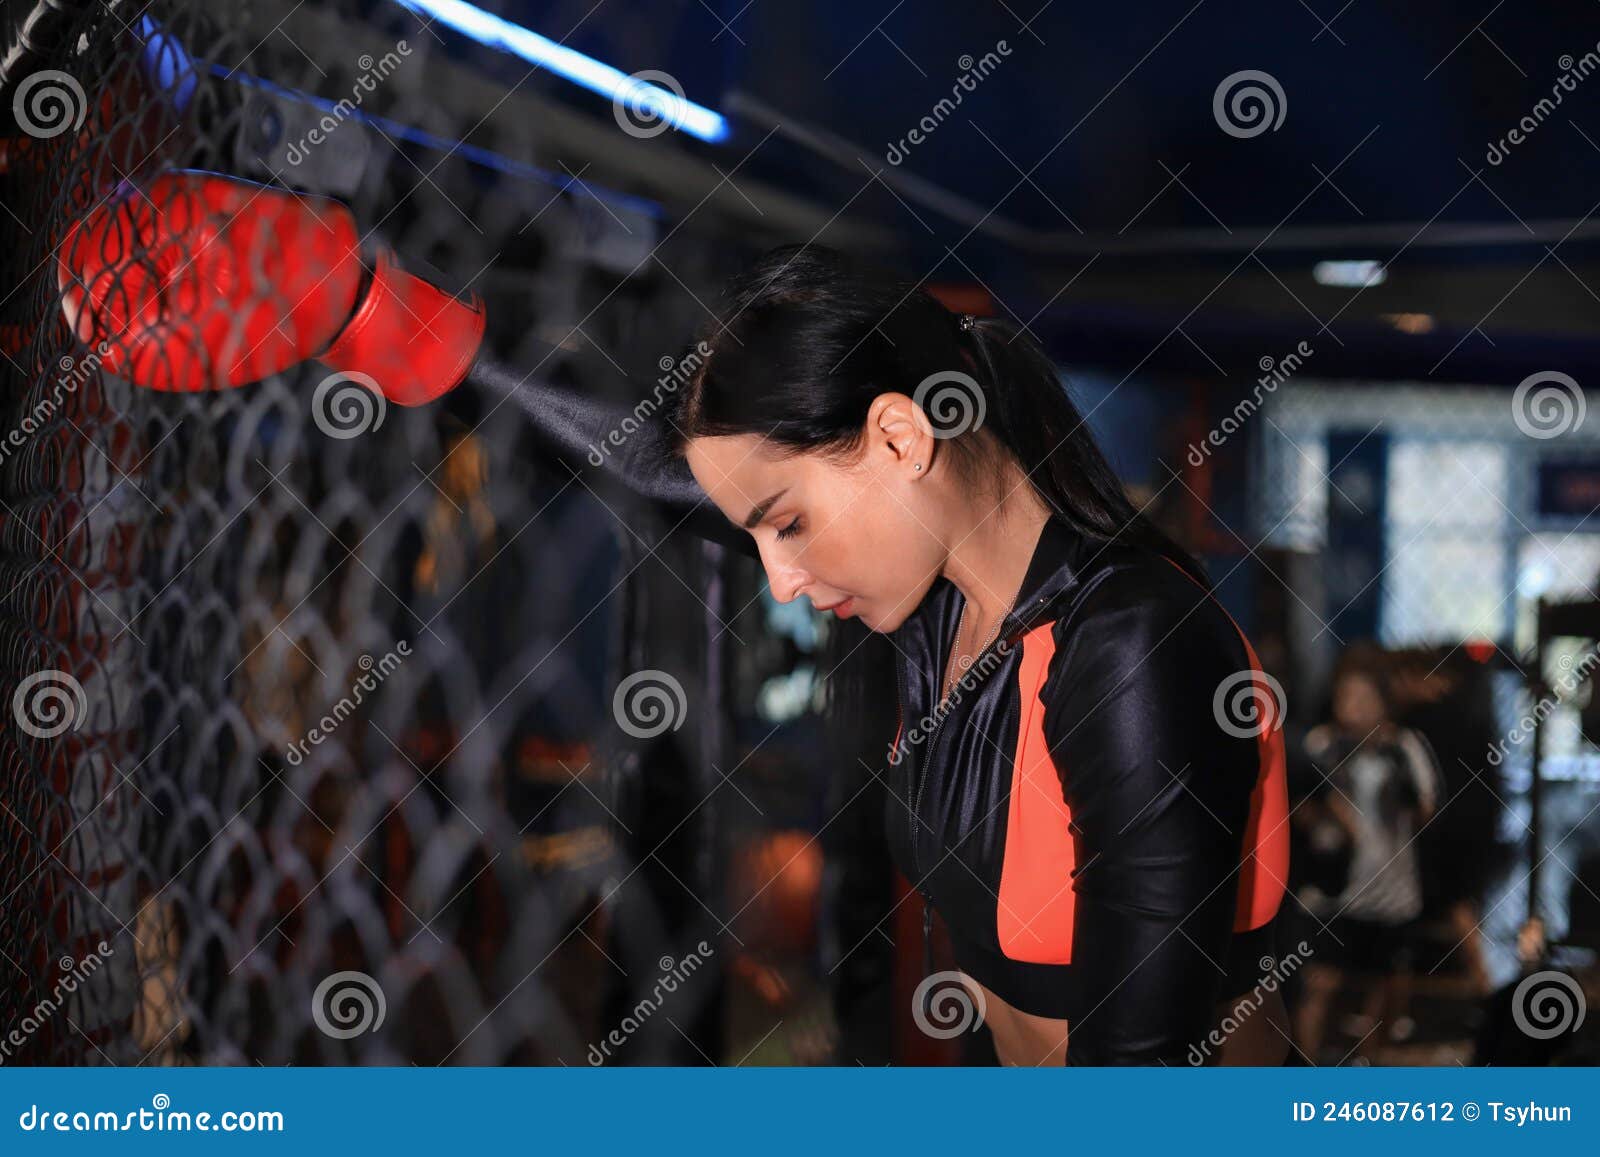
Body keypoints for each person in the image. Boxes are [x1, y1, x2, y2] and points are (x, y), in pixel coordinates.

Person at [58, 173, 1293, 1066]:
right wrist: (382, 317)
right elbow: (658, 469)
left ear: (901, 437)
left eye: (787, 522)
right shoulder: (948, 602)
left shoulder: (1130, 645)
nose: (779, 581)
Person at [1292, 650, 1442, 1063]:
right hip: (1332, 889)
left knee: (1386, 983)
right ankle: (1307, 1070)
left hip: (1389, 889)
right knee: (1322, 982)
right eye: (1346, 697)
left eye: (1363, 698)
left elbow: (1426, 811)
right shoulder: (1320, 744)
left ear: (1382, 701)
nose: (1353, 707)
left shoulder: (1405, 745)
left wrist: (1399, 776)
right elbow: (1298, 807)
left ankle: (1368, 1066)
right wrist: (1330, 816)